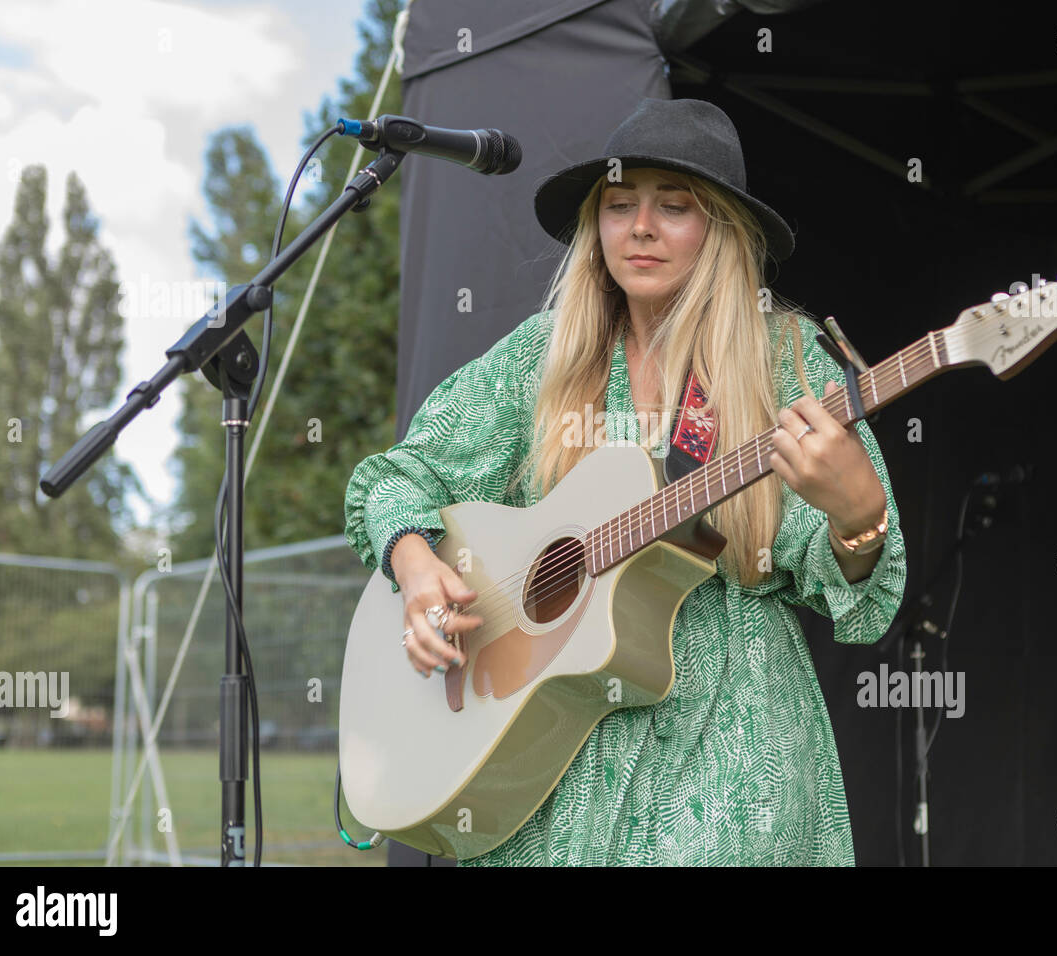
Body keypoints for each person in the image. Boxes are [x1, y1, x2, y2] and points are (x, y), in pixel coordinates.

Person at [343, 97, 907, 865]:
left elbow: (853, 586)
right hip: (552, 783)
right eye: (617, 206)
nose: (640, 227)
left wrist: (859, 517)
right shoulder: (541, 356)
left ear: (721, 233)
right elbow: (394, 477)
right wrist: (415, 569)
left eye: (674, 206)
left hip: (736, 774)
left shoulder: (784, 355)